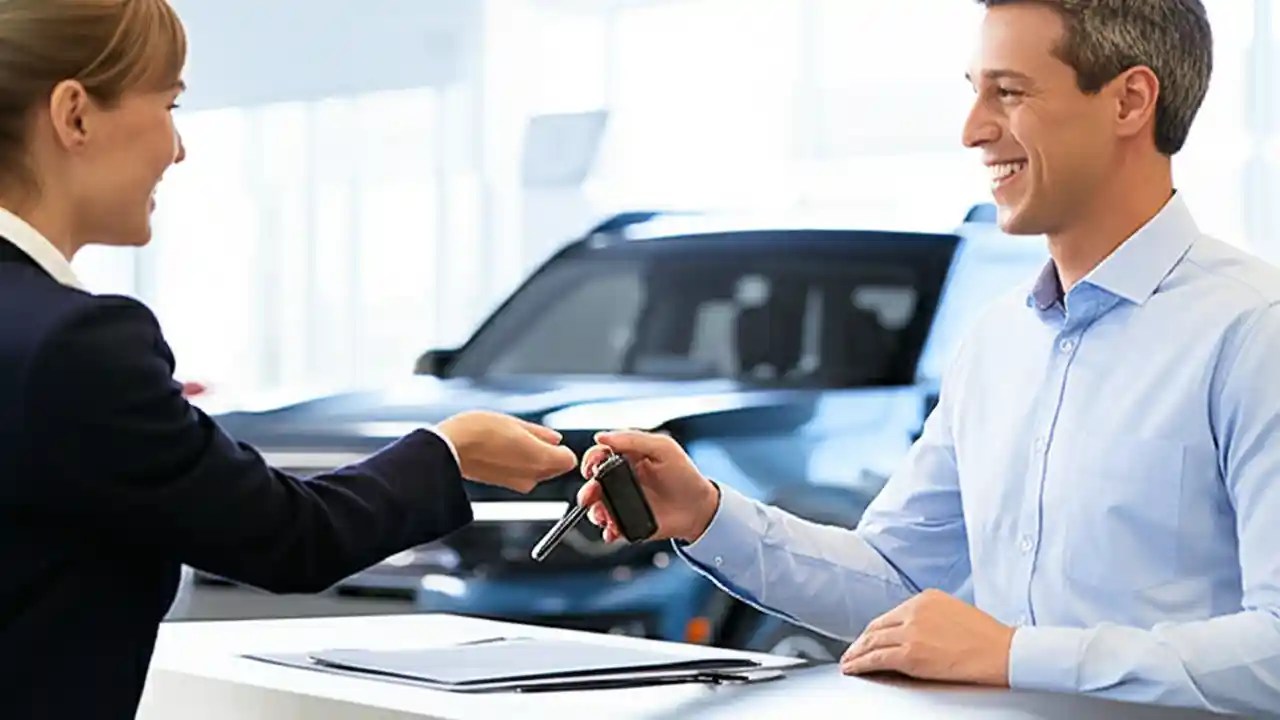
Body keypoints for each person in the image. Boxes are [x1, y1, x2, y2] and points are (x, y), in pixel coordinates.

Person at [579, 0, 1280, 715]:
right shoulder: (997, 344)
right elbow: (899, 581)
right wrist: (704, 516)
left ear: (1129, 100)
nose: (973, 130)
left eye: (1008, 92)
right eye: (974, 91)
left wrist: (1010, 655)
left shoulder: (1256, 333)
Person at [0, 1, 577, 717]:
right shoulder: (72, 348)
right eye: (170, 104)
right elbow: (288, 538)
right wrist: (449, 451)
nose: (177, 149)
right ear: (75, 115)